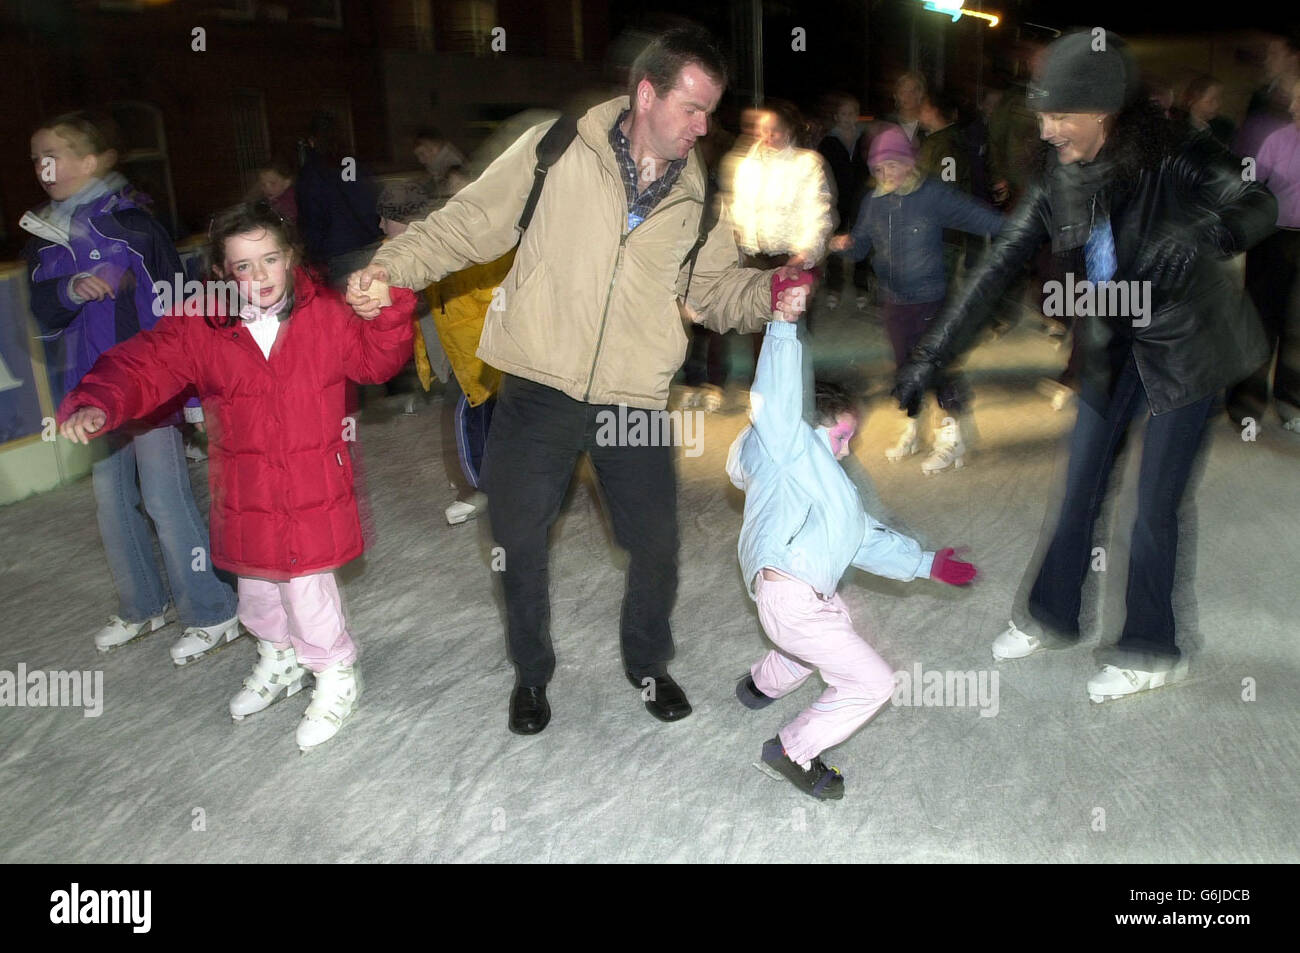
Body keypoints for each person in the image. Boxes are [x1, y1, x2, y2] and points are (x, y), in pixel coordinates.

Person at [346, 27, 810, 735]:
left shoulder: (698, 201)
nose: (702, 126)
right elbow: (467, 224)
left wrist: (770, 292)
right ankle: (532, 673)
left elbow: (714, 296)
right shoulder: (556, 150)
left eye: (710, 112)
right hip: (539, 385)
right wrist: (392, 266)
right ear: (646, 93)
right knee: (518, 537)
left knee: (655, 543)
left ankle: (649, 662)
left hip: (631, 399)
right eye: (692, 107)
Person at [892, 30, 1277, 701]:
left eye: (1058, 114)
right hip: (1111, 337)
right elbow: (998, 267)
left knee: (1153, 503)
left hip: (1187, 344)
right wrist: (931, 354)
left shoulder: (1177, 152)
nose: (1045, 128)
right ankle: (1051, 614)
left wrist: (1205, 234)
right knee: (1079, 488)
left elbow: (1257, 202)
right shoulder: (1057, 177)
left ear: (1101, 111)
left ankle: (1156, 648)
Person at [58, 202, 416, 751]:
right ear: (223, 272)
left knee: (307, 587)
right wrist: (97, 400)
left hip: (312, 480)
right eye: (244, 266)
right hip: (245, 486)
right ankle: (279, 657)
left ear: (291, 257)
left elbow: (376, 363)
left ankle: (335, 671)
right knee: (256, 586)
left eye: (270, 259)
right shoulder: (204, 322)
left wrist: (388, 313)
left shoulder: (326, 313)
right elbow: (144, 364)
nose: (260, 276)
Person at [22, 110, 239, 663]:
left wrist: (190, 396)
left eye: (54, 153)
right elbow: (43, 314)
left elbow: (177, 311)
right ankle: (144, 604)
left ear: (89, 162)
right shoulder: (43, 236)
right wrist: (70, 288)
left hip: (146, 389)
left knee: (165, 499)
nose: (43, 165)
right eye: (35, 156)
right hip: (89, 395)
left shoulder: (135, 227)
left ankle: (213, 607)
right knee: (112, 505)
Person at [729, 319, 976, 800]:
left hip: (793, 598)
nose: (844, 452)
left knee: (832, 623)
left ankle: (761, 685)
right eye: (840, 437)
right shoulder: (791, 452)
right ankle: (792, 750)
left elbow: (866, 541)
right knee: (873, 683)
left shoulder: (831, 492)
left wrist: (927, 564)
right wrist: (782, 325)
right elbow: (776, 400)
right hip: (789, 595)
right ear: (805, 429)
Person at [829, 126, 1003, 473]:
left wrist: (1018, 228)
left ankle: (954, 433)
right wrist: (846, 246)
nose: (885, 175)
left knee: (936, 365)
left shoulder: (931, 194)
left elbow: (976, 216)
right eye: (878, 169)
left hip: (930, 297)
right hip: (894, 298)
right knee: (904, 367)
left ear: (909, 164)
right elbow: (862, 244)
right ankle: (915, 422)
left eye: (892, 165)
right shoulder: (873, 201)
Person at [1229, 76, 1300, 431]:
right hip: (1271, 237)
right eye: (1296, 101)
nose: (1295, 107)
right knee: (1259, 319)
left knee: (1298, 325)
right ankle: (1247, 400)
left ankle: (1291, 400)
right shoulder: (1277, 139)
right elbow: (1252, 184)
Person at [295, 112, 383, 288]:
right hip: (372, 244)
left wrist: (313, 253)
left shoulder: (312, 172)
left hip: (339, 253)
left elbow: (313, 216)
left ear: (312, 141)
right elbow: (370, 198)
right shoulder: (353, 163)